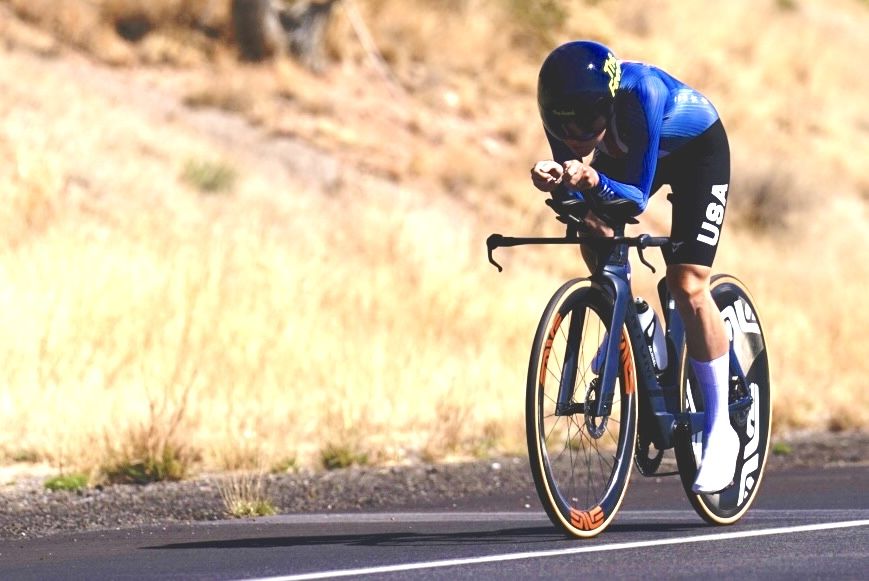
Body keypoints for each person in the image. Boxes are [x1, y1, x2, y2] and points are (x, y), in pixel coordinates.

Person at [530, 40, 737, 493]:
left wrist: (593, 179)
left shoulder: (641, 93)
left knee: (687, 284)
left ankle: (721, 427)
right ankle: (634, 316)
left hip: (697, 154)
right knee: (589, 221)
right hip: (636, 149)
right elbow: (578, 191)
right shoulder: (569, 111)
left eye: (587, 123)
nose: (575, 136)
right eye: (561, 125)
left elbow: (636, 200)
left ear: (607, 103)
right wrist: (557, 180)